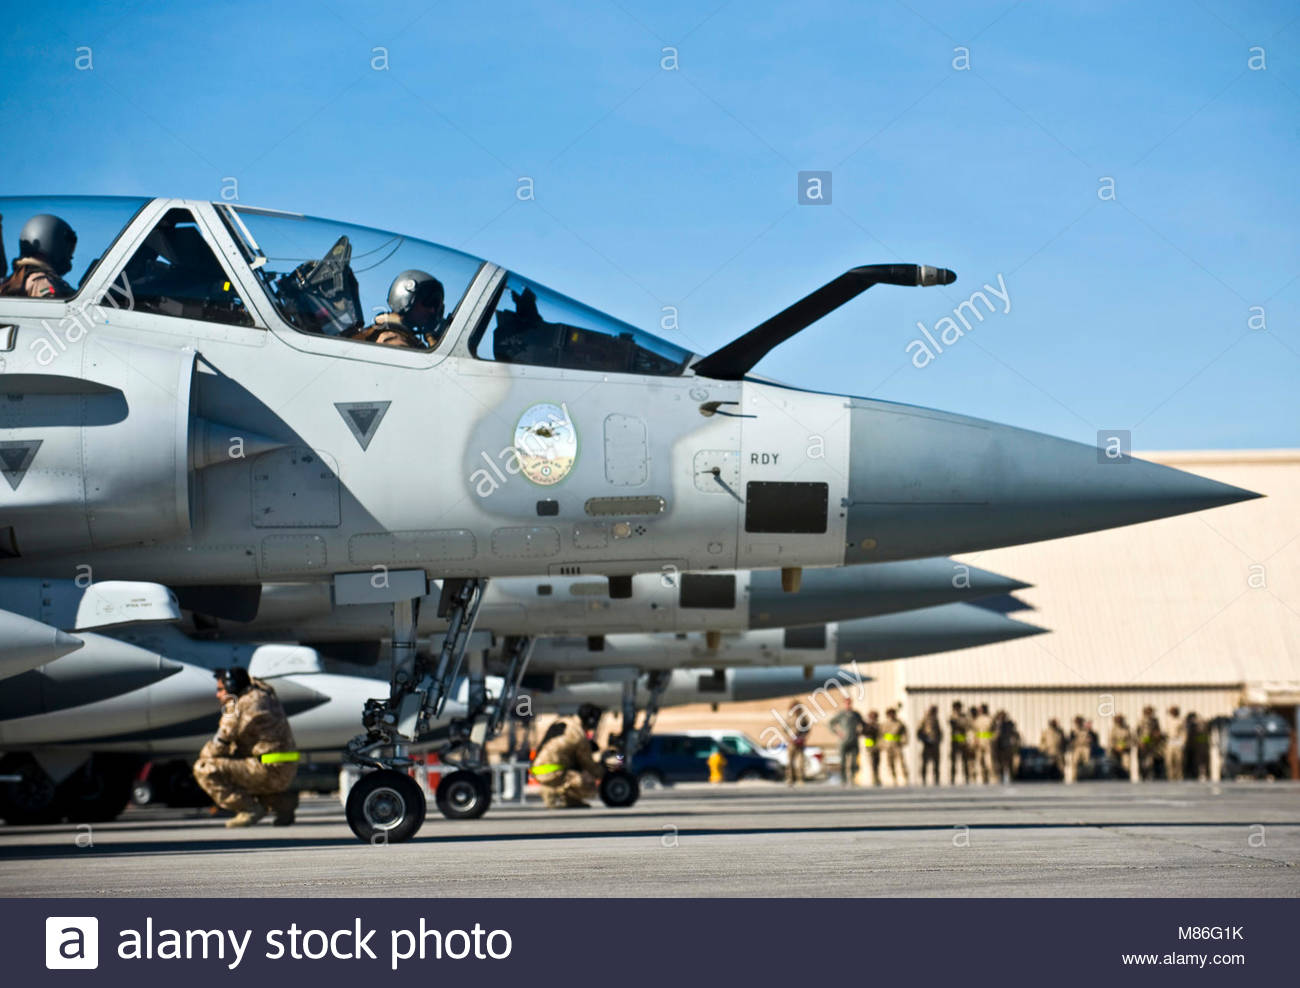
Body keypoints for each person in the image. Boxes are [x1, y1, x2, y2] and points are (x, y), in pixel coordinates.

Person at [192, 667, 299, 827]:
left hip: (269, 770)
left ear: (232, 687)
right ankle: (282, 803)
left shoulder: (238, 705)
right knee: (237, 760)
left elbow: (220, 742)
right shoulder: (264, 695)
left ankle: (249, 808)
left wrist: (204, 756)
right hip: (284, 768)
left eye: (221, 689)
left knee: (204, 768)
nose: (218, 695)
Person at [529, 703, 606, 807]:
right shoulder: (578, 735)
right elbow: (588, 764)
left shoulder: (564, 721)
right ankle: (554, 792)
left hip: (537, 768)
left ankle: (568, 799)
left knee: (570, 769)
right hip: (549, 771)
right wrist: (605, 774)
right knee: (588, 785)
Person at [348, 269, 446, 349]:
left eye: (437, 306)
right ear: (406, 298)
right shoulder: (392, 339)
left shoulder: (407, 338)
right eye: (430, 302)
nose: (432, 310)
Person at [1, 214, 77, 298]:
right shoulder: (41, 281)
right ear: (54, 243)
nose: (70, 257)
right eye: (68, 249)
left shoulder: (11, 281)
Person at [829, 697, 865, 785]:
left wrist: (860, 732)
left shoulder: (856, 714)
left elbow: (863, 724)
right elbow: (831, 724)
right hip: (843, 741)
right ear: (844, 704)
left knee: (854, 761)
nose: (848, 705)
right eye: (847, 703)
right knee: (843, 761)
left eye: (850, 703)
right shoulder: (841, 714)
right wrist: (838, 733)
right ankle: (843, 779)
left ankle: (852, 778)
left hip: (854, 740)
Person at [785, 699, 811, 785]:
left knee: (800, 762)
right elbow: (784, 729)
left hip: (800, 742)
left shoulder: (803, 718)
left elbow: (807, 729)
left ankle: (800, 779)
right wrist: (788, 738)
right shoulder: (789, 717)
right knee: (790, 762)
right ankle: (790, 779)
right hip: (791, 743)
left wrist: (803, 738)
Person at [882, 707, 909, 786]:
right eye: (889, 714)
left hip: (897, 745)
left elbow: (904, 734)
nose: (891, 715)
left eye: (892, 714)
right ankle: (893, 778)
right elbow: (881, 735)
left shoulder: (899, 724)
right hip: (888, 746)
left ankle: (905, 777)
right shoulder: (884, 724)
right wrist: (882, 745)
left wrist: (904, 741)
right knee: (890, 763)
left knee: (901, 762)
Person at [917, 705, 942, 785]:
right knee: (925, 763)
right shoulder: (924, 719)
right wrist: (924, 739)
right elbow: (919, 731)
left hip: (935, 745)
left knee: (936, 763)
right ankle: (923, 779)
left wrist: (938, 740)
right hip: (927, 745)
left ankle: (936, 779)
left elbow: (939, 732)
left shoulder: (936, 720)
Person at [1137, 706, 1163, 780]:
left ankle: (1150, 776)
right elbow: (1138, 732)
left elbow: (1158, 730)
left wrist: (1157, 735)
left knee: (1150, 761)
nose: (1151, 713)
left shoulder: (1155, 720)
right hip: (1143, 743)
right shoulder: (1141, 720)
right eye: (1149, 711)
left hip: (1152, 744)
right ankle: (1143, 776)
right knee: (1143, 762)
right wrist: (1141, 742)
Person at [948, 701, 971, 784]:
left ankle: (967, 778)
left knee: (965, 761)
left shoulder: (964, 716)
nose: (957, 709)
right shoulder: (953, 716)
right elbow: (951, 722)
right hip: (954, 742)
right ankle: (952, 778)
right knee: (953, 762)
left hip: (962, 742)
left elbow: (966, 725)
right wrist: (956, 716)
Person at [971, 703, 995, 784]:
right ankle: (989, 778)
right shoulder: (990, 719)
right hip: (986, 742)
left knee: (984, 761)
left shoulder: (978, 720)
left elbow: (974, 732)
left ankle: (986, 778)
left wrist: (975, 741)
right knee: (986, 761)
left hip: (982, 742)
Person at [995, 711, 1021, 782]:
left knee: (1010, 764)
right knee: (1002, 764)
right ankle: (1002, 778)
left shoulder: (1009, 725)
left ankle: (1011, 778)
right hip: (1001, 747)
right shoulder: (997, 725)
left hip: (1008, 747)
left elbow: (1015, 736)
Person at [1066, 716, 1093, 783]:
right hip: (1076, 748)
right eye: (1077, 722)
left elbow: (1092, 739)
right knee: (1074, 763)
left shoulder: (1087, 730)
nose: (1078, 723)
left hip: (1086, 748)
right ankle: (1074, 778)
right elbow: (1070, 741)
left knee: (1087, 763)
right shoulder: (1073, 731)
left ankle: (1087, 777)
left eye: (1079, 722)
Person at [862, 710, 882, 786]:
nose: (873, 719)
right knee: (871, 763)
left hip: (877, 746)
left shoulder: (878, 725)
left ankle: (877, 777)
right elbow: (864, 732)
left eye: (874, 717)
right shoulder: (867, 725)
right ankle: (874, 778)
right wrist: (870, 726)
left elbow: (881, 734)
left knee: (877, 763)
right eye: (872, 717)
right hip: (869, 747)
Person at [1166, 706, 1186, 781]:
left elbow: (1184, 732)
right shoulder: (1168, 721)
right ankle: (1171, 777)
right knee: (1170, 761)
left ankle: (1179, 777)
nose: (1172, 713)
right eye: (1171, 711)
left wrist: (1183, 743)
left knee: (1179, 761)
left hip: (1178, 742)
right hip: (1170, 742)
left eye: (1174, 711)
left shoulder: (1181, 720)